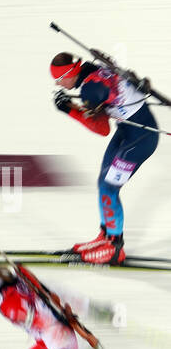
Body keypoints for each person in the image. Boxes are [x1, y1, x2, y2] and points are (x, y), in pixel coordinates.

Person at [50, 52, 160, 265]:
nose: (59, 85)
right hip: (128, 131)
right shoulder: (95, 68)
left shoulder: (90, 89)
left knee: (110, 188)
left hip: (140, 139)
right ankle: (106, 236)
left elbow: (101, 128)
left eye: (59, 79)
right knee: (103, 182)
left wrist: (68, 109)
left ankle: (115, 249)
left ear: (71, 73)